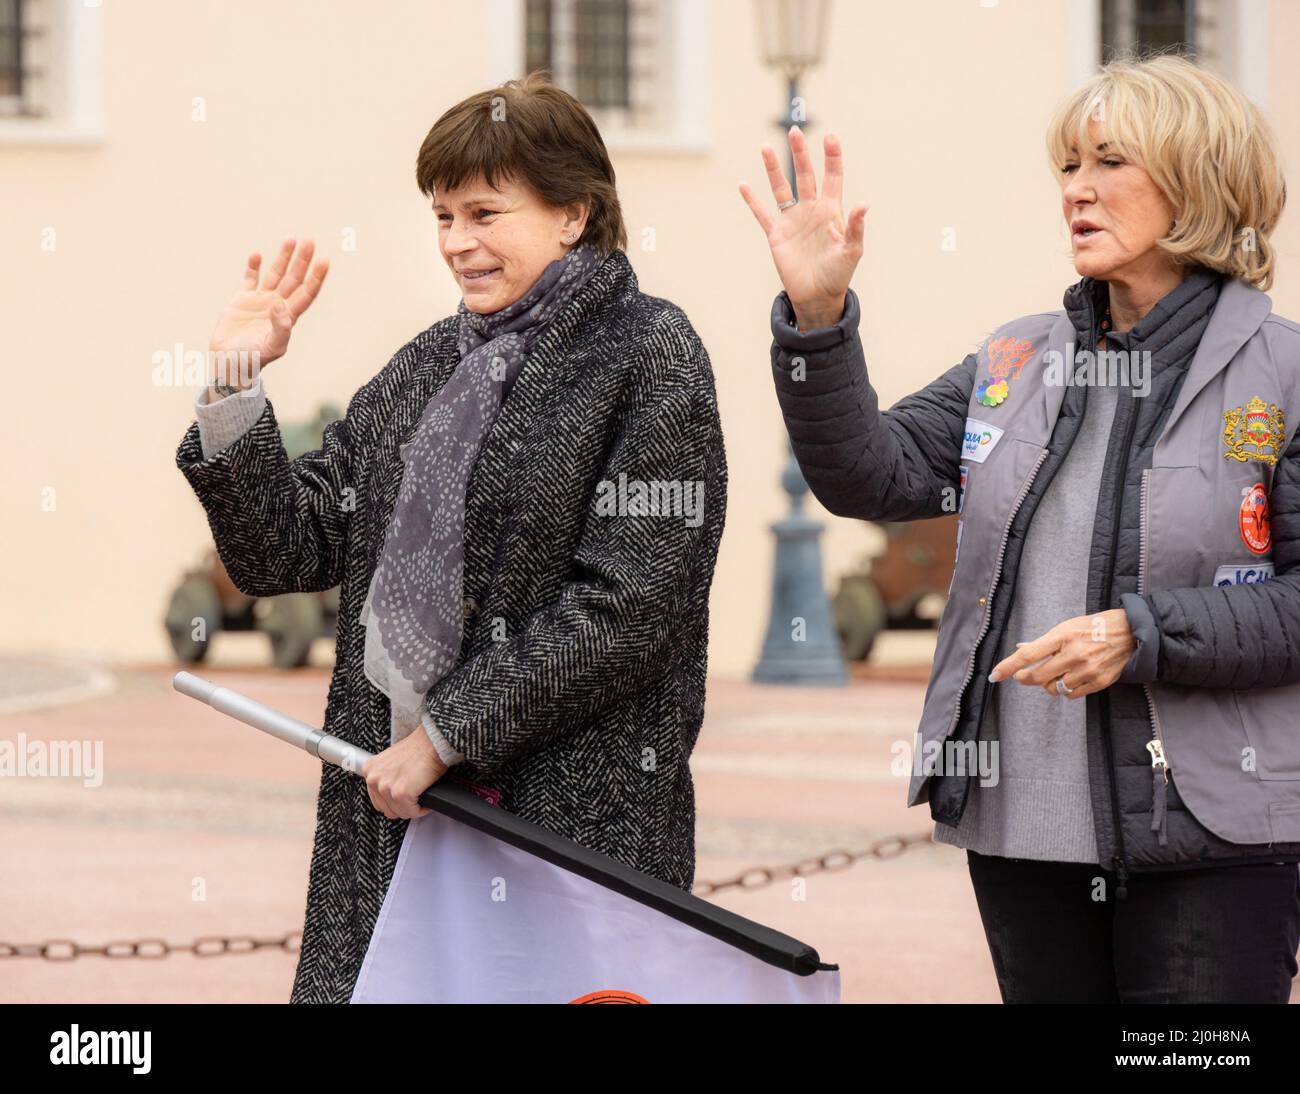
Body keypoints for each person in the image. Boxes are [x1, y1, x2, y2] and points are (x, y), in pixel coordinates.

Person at [742, 54, 1300, 1003]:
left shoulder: (1283, 375)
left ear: (1200, 182)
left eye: (1109, 163)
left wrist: (1147, 633)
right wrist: (819, 315)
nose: (1077, 191)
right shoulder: (1015, 358)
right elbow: (869, 473)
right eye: (1069, 169)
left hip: (1214, 836)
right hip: (1023, 834)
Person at [177, 73, 727, 1004]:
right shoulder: (425, 364)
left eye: (484, 212)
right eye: (441, 217)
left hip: (564, 829)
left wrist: (446, 733)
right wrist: (235, 389)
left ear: (573, 214)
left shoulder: (651, 354)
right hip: (386, 826)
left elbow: (630, 606)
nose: (458, 243)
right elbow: (287, 552)